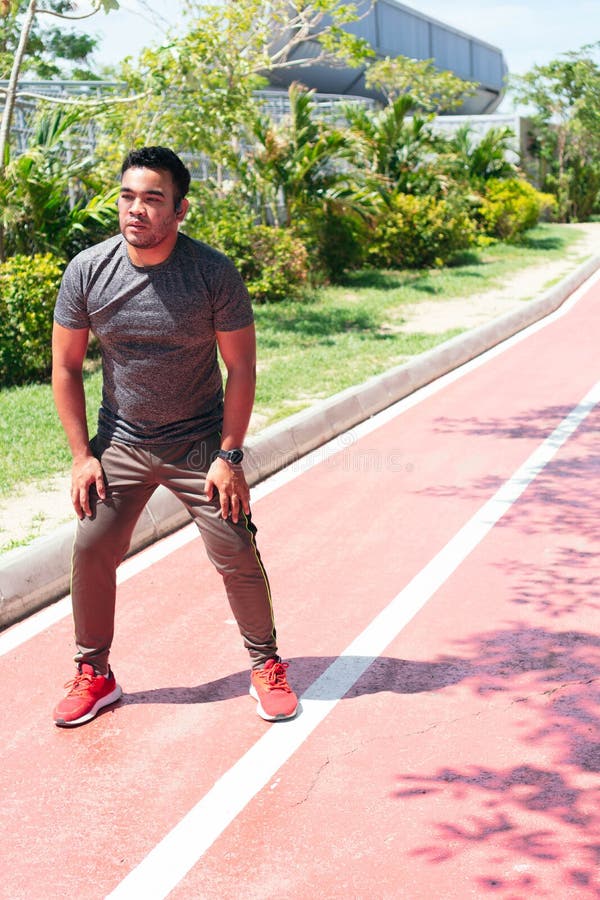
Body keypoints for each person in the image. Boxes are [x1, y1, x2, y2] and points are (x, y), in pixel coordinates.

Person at [51, 146, 298, 727]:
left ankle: (264, 664)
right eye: (127, 196)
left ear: (180, 209)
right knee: (91, 547)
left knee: (235, 547)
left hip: (199, 444)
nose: (136, 210)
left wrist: (228, 455)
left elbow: (241, 368)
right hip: (121, 440)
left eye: (152, 199)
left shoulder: (212, 273)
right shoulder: (88, 269)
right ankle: (96, 672)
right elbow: (65, 366)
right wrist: (81, 456)